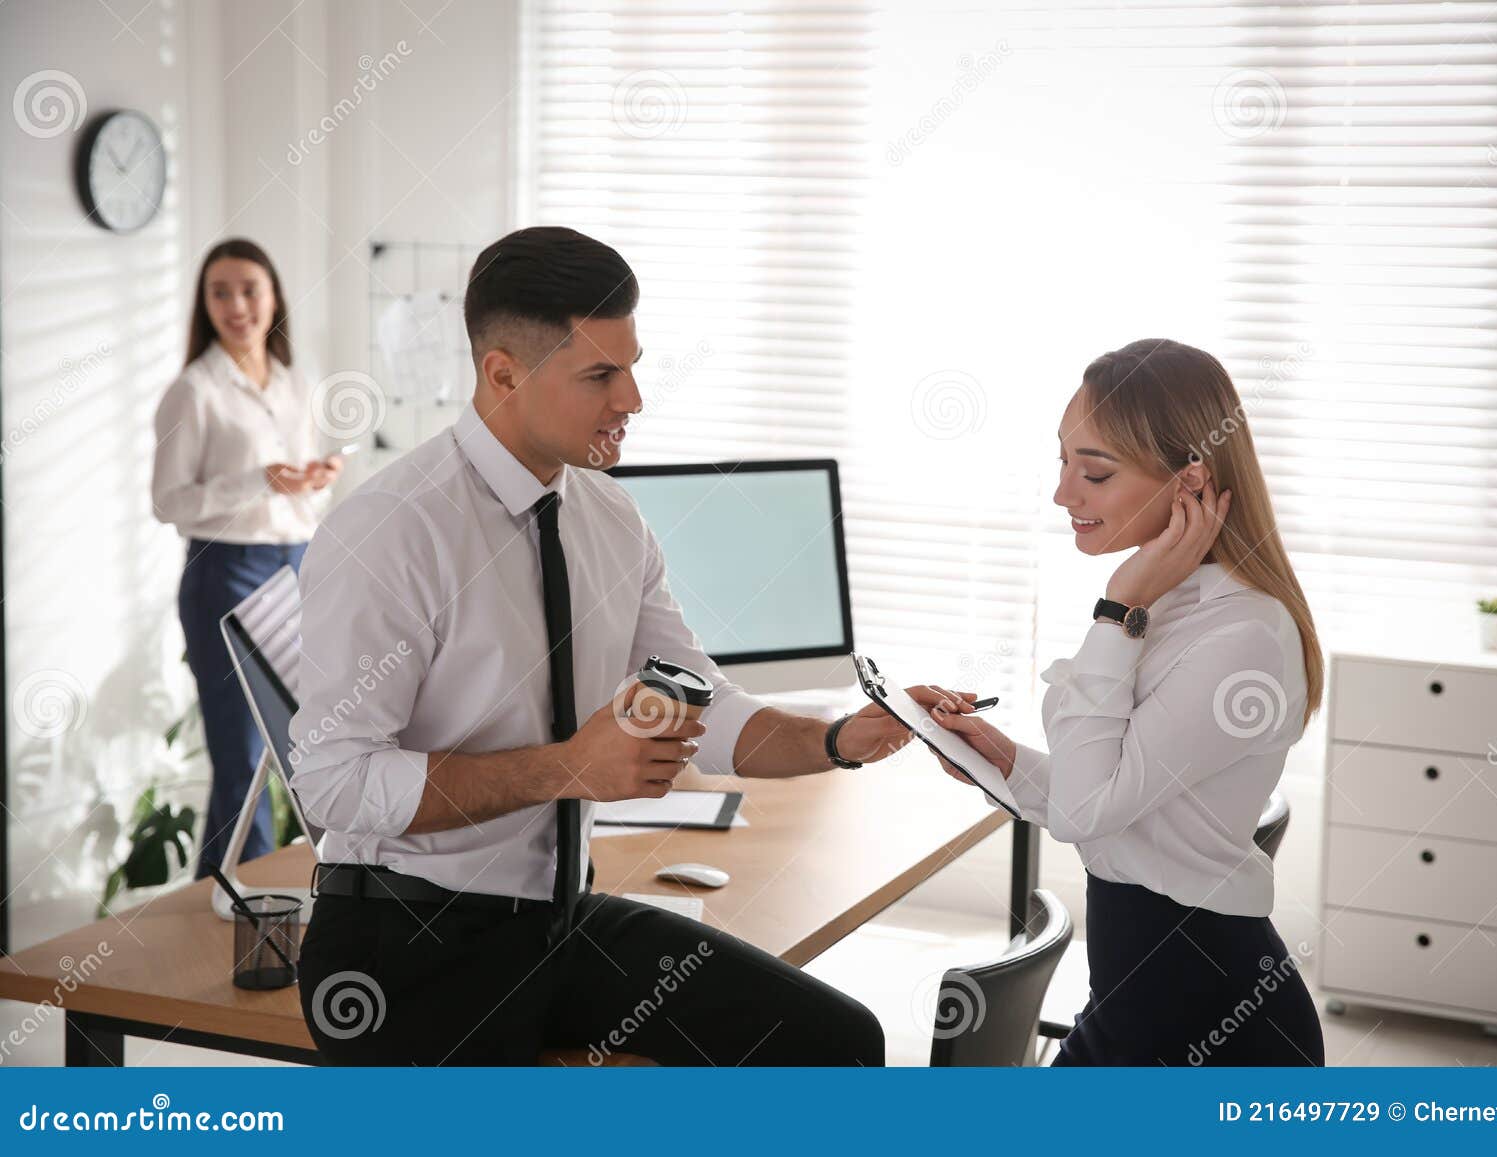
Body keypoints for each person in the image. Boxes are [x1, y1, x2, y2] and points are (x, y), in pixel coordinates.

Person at [288, 226, 923, 1066]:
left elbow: (700, 701)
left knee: (835, 1042)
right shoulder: (392, 530)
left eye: (631, 366)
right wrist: (567, 769)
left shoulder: (607, 515)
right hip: (405, 942)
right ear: (502, 372)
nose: (633, 398)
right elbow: (332, 781)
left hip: (557, 922)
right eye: (600, 375)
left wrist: (842, 739)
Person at [924, 338, 1326, 1066]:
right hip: (1142, 992)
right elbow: (1121, 803)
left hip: (1201, 1007)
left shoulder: (1242, 636)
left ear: (1190, 483)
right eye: (1063, 460)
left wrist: (1119, 607)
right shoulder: (1171, 604)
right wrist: (1009, 764)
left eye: (1096, 471)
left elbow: (1090, 810)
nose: (1063, 493)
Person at [153, 238, 344, 879]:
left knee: (303, 749)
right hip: (226, 572)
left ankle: (251, 896)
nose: (237, 305)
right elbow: (167, 502)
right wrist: (257, 479)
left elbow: (292, 487)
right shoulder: (194, 391)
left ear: (274, 297)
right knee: (242, 758)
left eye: (249, 289)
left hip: (298, 563)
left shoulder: (295, 383)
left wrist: (319, 477)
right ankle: (236, 909)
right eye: (220, 292)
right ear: (204, 304)